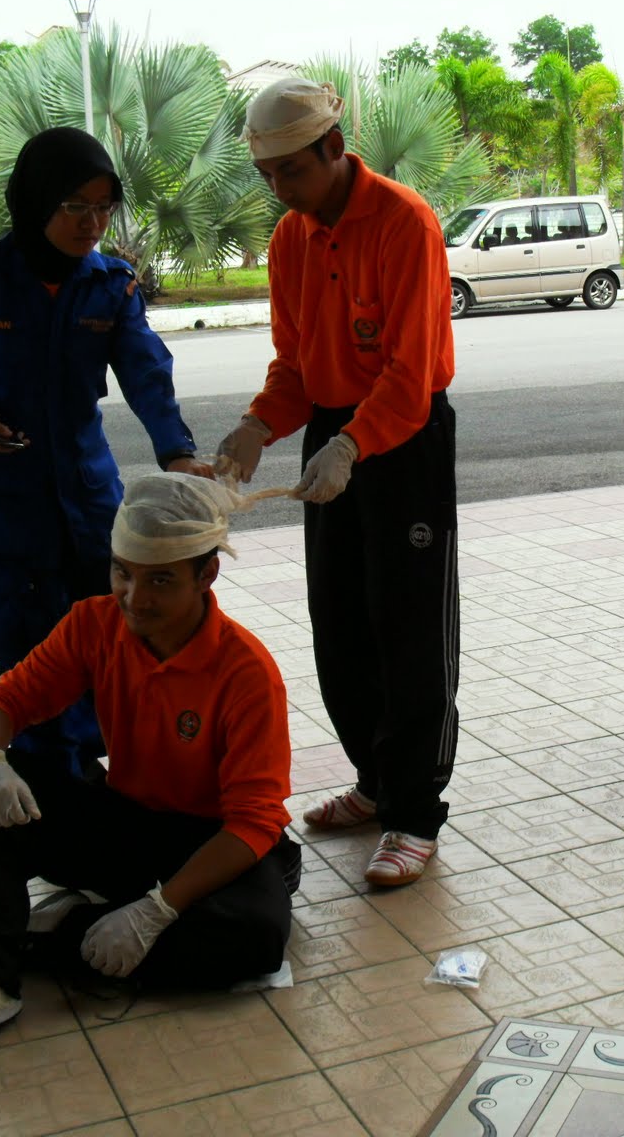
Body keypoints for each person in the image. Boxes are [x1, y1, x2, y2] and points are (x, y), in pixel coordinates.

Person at [0, 473, 300, 1069]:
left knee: (255, 937)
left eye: (160, 580)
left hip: (208, 841)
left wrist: (155, 911)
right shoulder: (93, 624)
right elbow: (0, 705)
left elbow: (255, 821)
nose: (135, 597)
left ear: (206, 576)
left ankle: (57, 934)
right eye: (122, 572)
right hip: (127, 823)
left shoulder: (245, 670)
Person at [0, 127, 212, 776]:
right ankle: (62, 807)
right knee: (26, 664)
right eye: (76, 206)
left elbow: (146, 373)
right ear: (37, 200)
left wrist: (178, 454)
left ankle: (103, 801)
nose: (93, 223)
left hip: (89, 506)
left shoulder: (111, 286)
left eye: (103, 207)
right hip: (0, 508)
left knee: (112, 653)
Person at [214, 79, 459, 888]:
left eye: (293, 171)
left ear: (333, 147)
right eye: (268, 176)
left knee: (409, 627)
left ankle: (416, 814)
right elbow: (296, 364)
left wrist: (357, 443)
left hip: (404, 436)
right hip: (334, 432)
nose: (281, 190)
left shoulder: (404, 222)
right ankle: (374, 780)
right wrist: (257, 426)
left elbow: (411, 370)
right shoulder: (292, 239)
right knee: (341, 621)